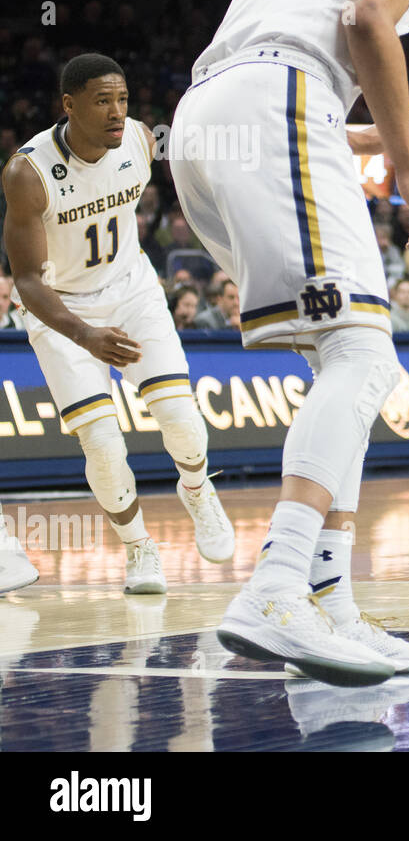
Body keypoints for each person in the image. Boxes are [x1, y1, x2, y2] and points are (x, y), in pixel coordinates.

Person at [170, 0, 409, 685]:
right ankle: (278, 583)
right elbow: (367, 21)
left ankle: (326, 598)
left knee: (345, 353)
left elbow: (285, 59)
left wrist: (368, 130)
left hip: (209, 123)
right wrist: (406, 168)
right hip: (273, 110)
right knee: (366, 352)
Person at [0, 53, 234, 597]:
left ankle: (197, 490)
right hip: (62, 311)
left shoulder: (139, 140)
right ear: (69, 105)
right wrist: (84, 335)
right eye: (102, 101)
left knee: (180, 415)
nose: (116, 112)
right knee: (103, 443)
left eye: (123, 99)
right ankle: (139, 550)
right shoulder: (27, 173)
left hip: (132, 292)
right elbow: (27, 281)